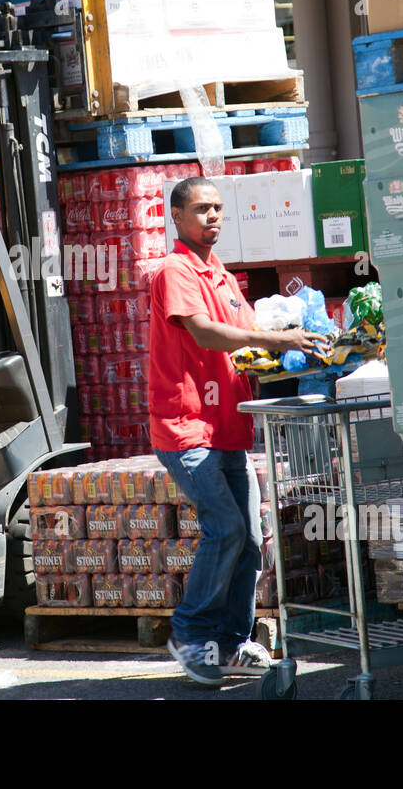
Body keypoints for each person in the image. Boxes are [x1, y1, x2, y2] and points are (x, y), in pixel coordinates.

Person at [149, 176, 329, 686]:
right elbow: (206, 333)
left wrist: (304, 346)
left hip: (228, 425)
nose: (212, 217)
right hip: (186, 427)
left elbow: (244, 345)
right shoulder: (175, 271)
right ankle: (190, 638)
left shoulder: (222, 275)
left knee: (249, 539)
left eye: (218, 209)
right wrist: (274, 337)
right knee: (224, 529)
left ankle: (229, 644)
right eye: (201, 209)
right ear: (177, 217)